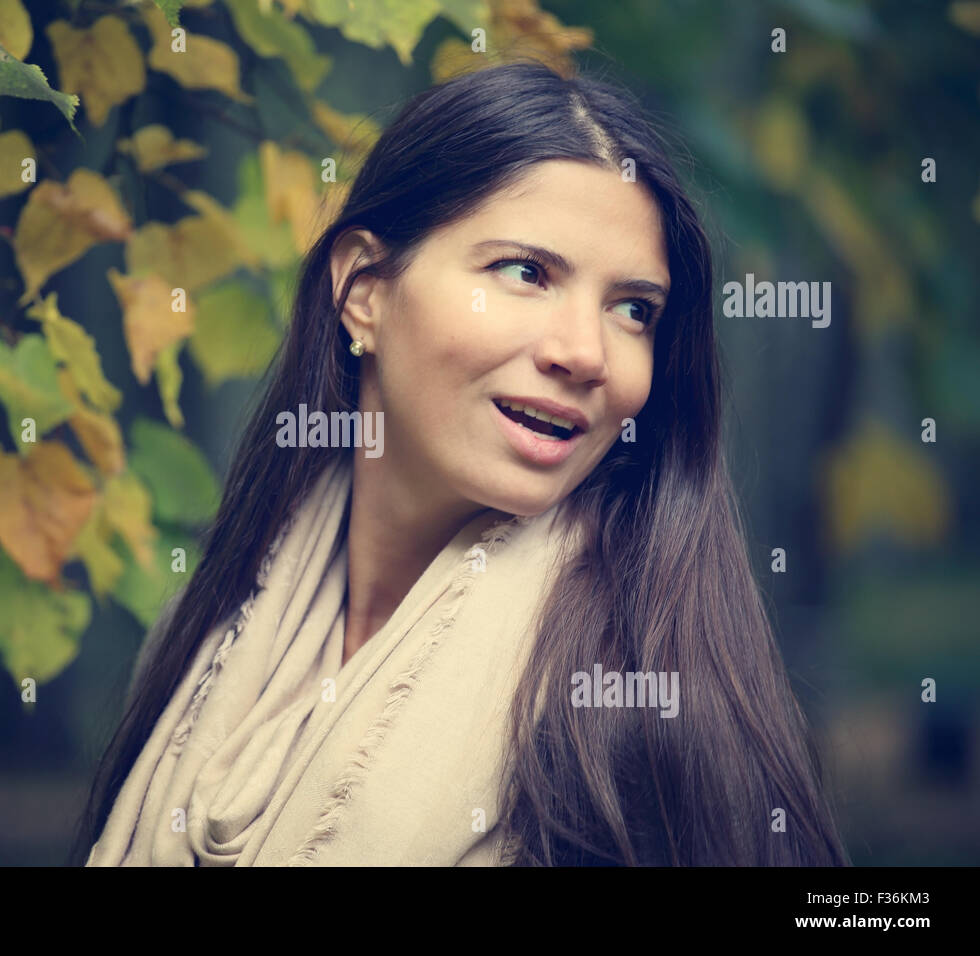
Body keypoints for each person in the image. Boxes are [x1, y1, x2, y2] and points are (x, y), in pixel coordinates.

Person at [73, 60, 848, 866]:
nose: (587, 354)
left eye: (633, 310)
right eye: (525, 272)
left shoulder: (628, 708)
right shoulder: (204, 631)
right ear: (363, 291)